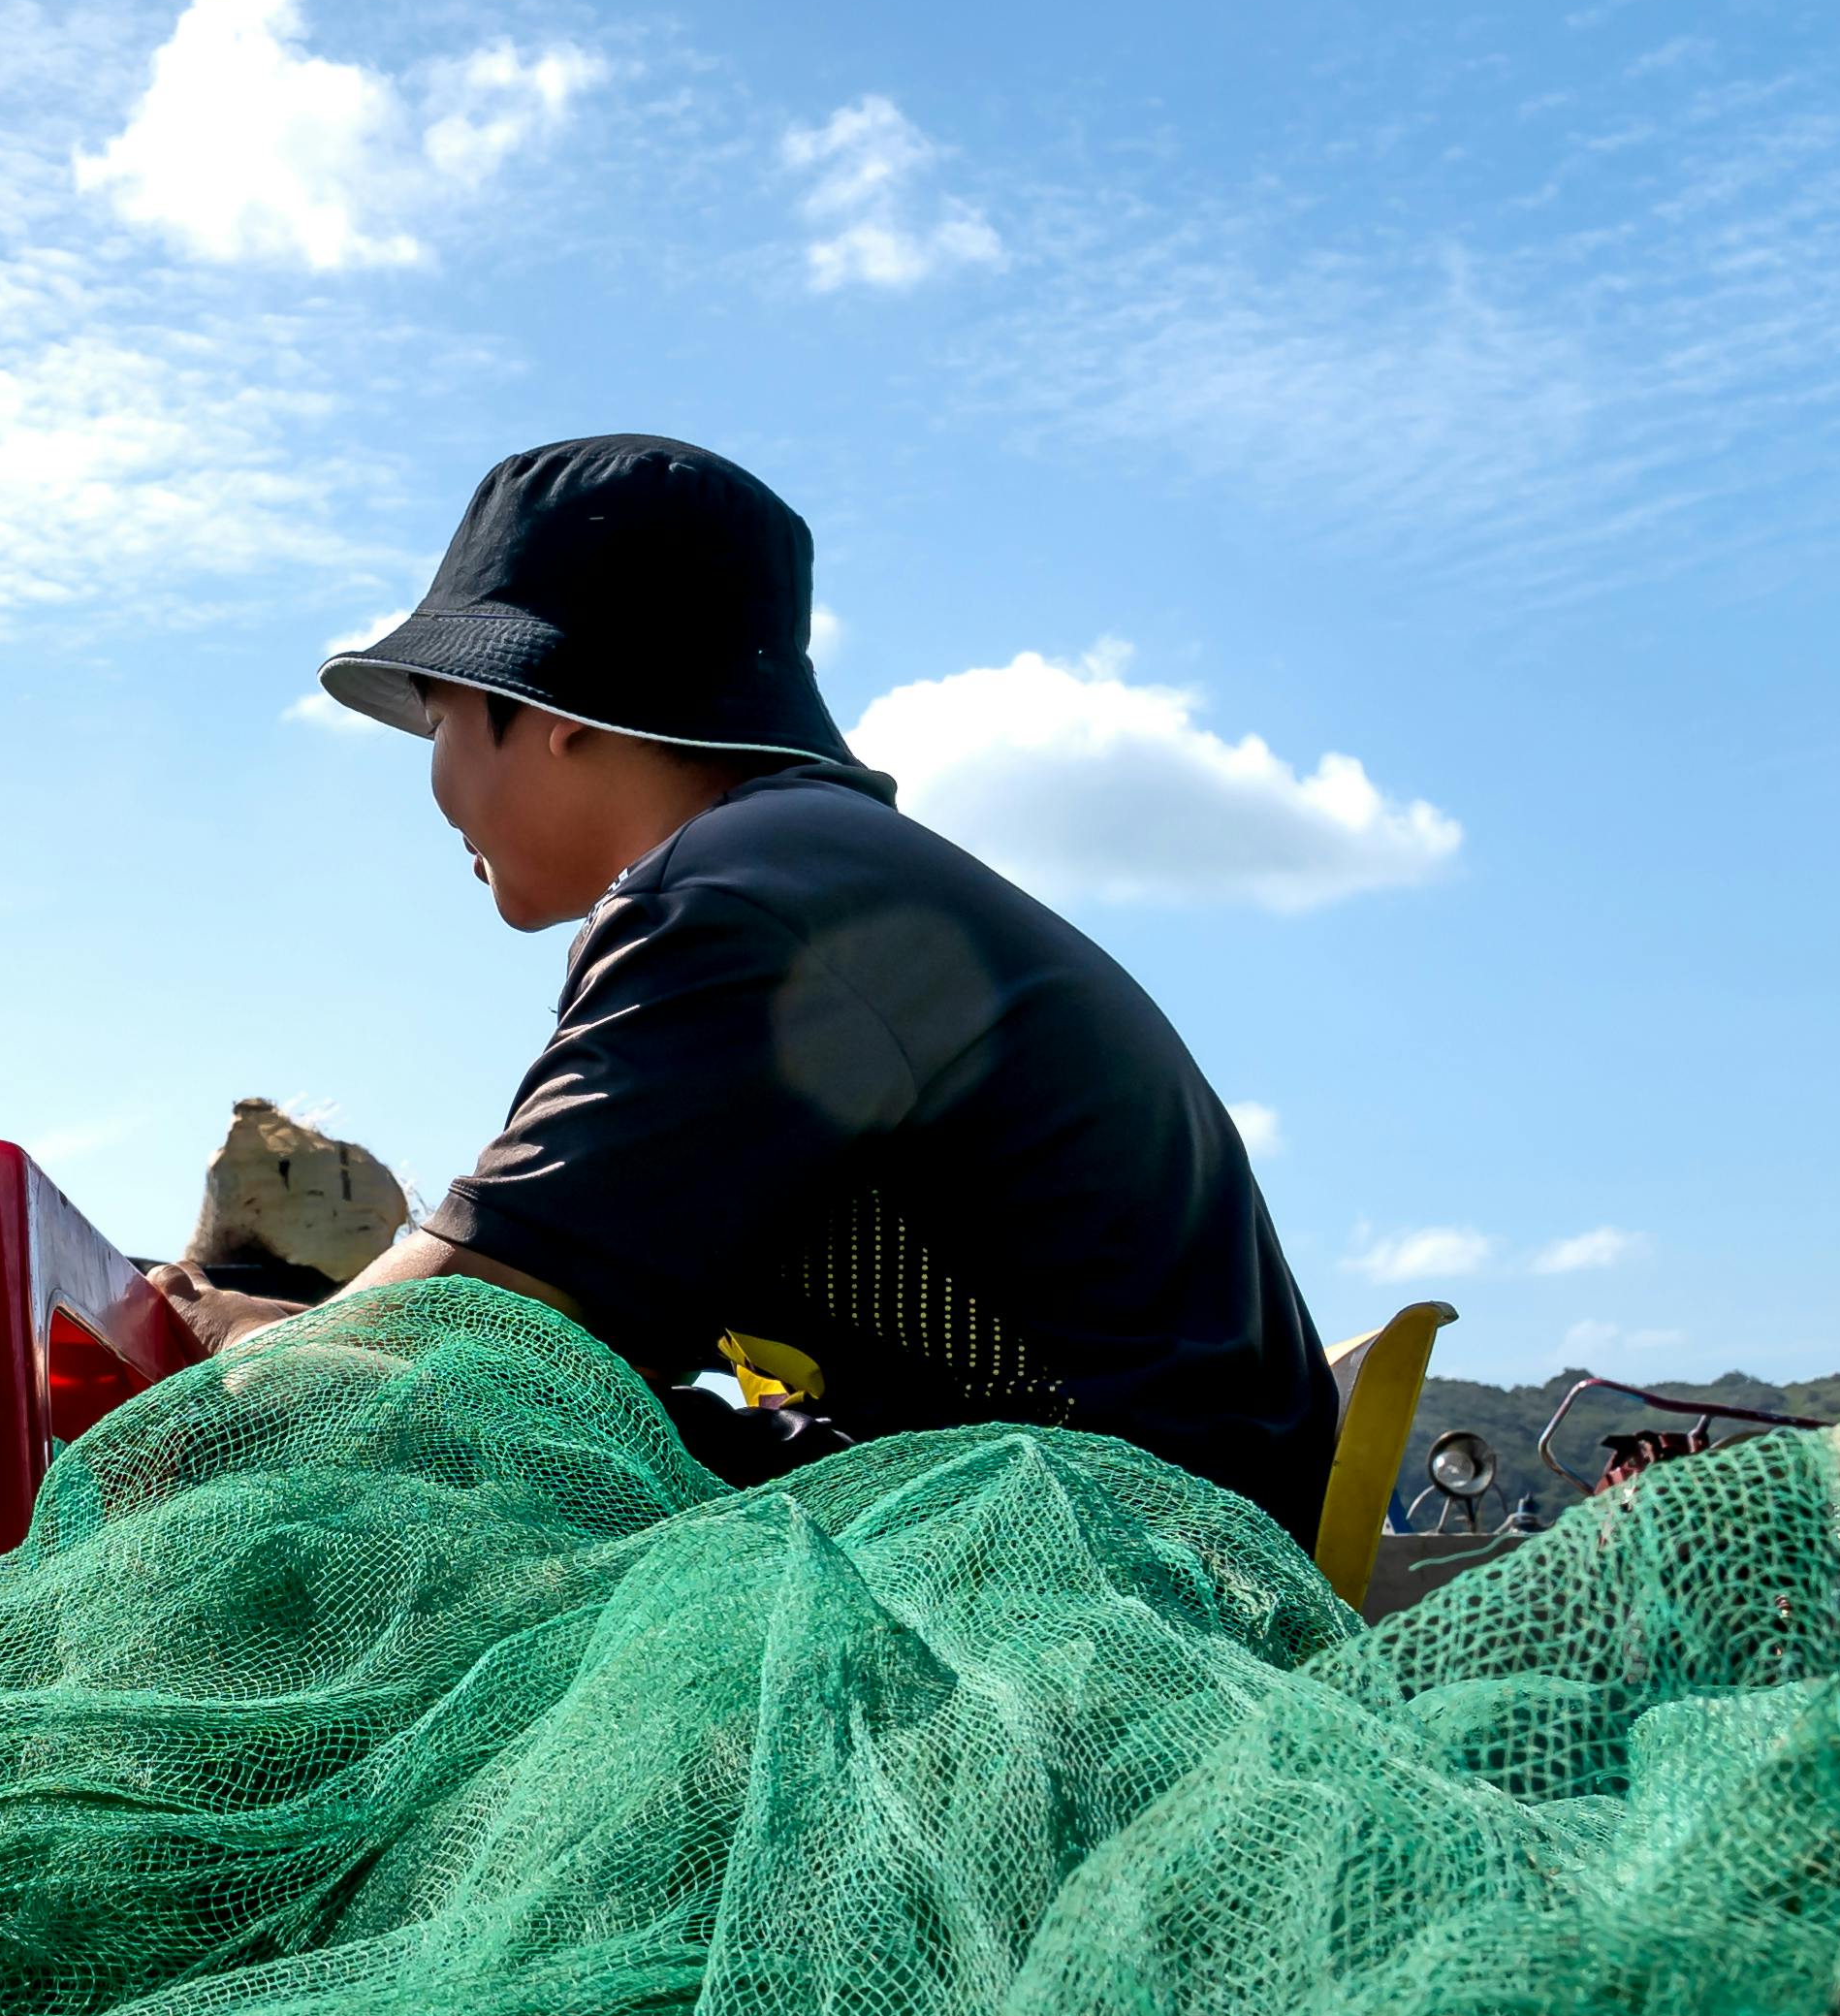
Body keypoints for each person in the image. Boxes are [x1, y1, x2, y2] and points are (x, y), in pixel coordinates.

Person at [156, 434, 1340, 1536]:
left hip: (1092, 1555)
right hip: (1081, 1505)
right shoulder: (805, 868)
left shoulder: (739, 898)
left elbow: (472, 1322)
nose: (437, 778)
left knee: (366, 1453)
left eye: (440, 716)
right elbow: (583, 1338)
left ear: (553, 708)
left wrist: (218, 1336)